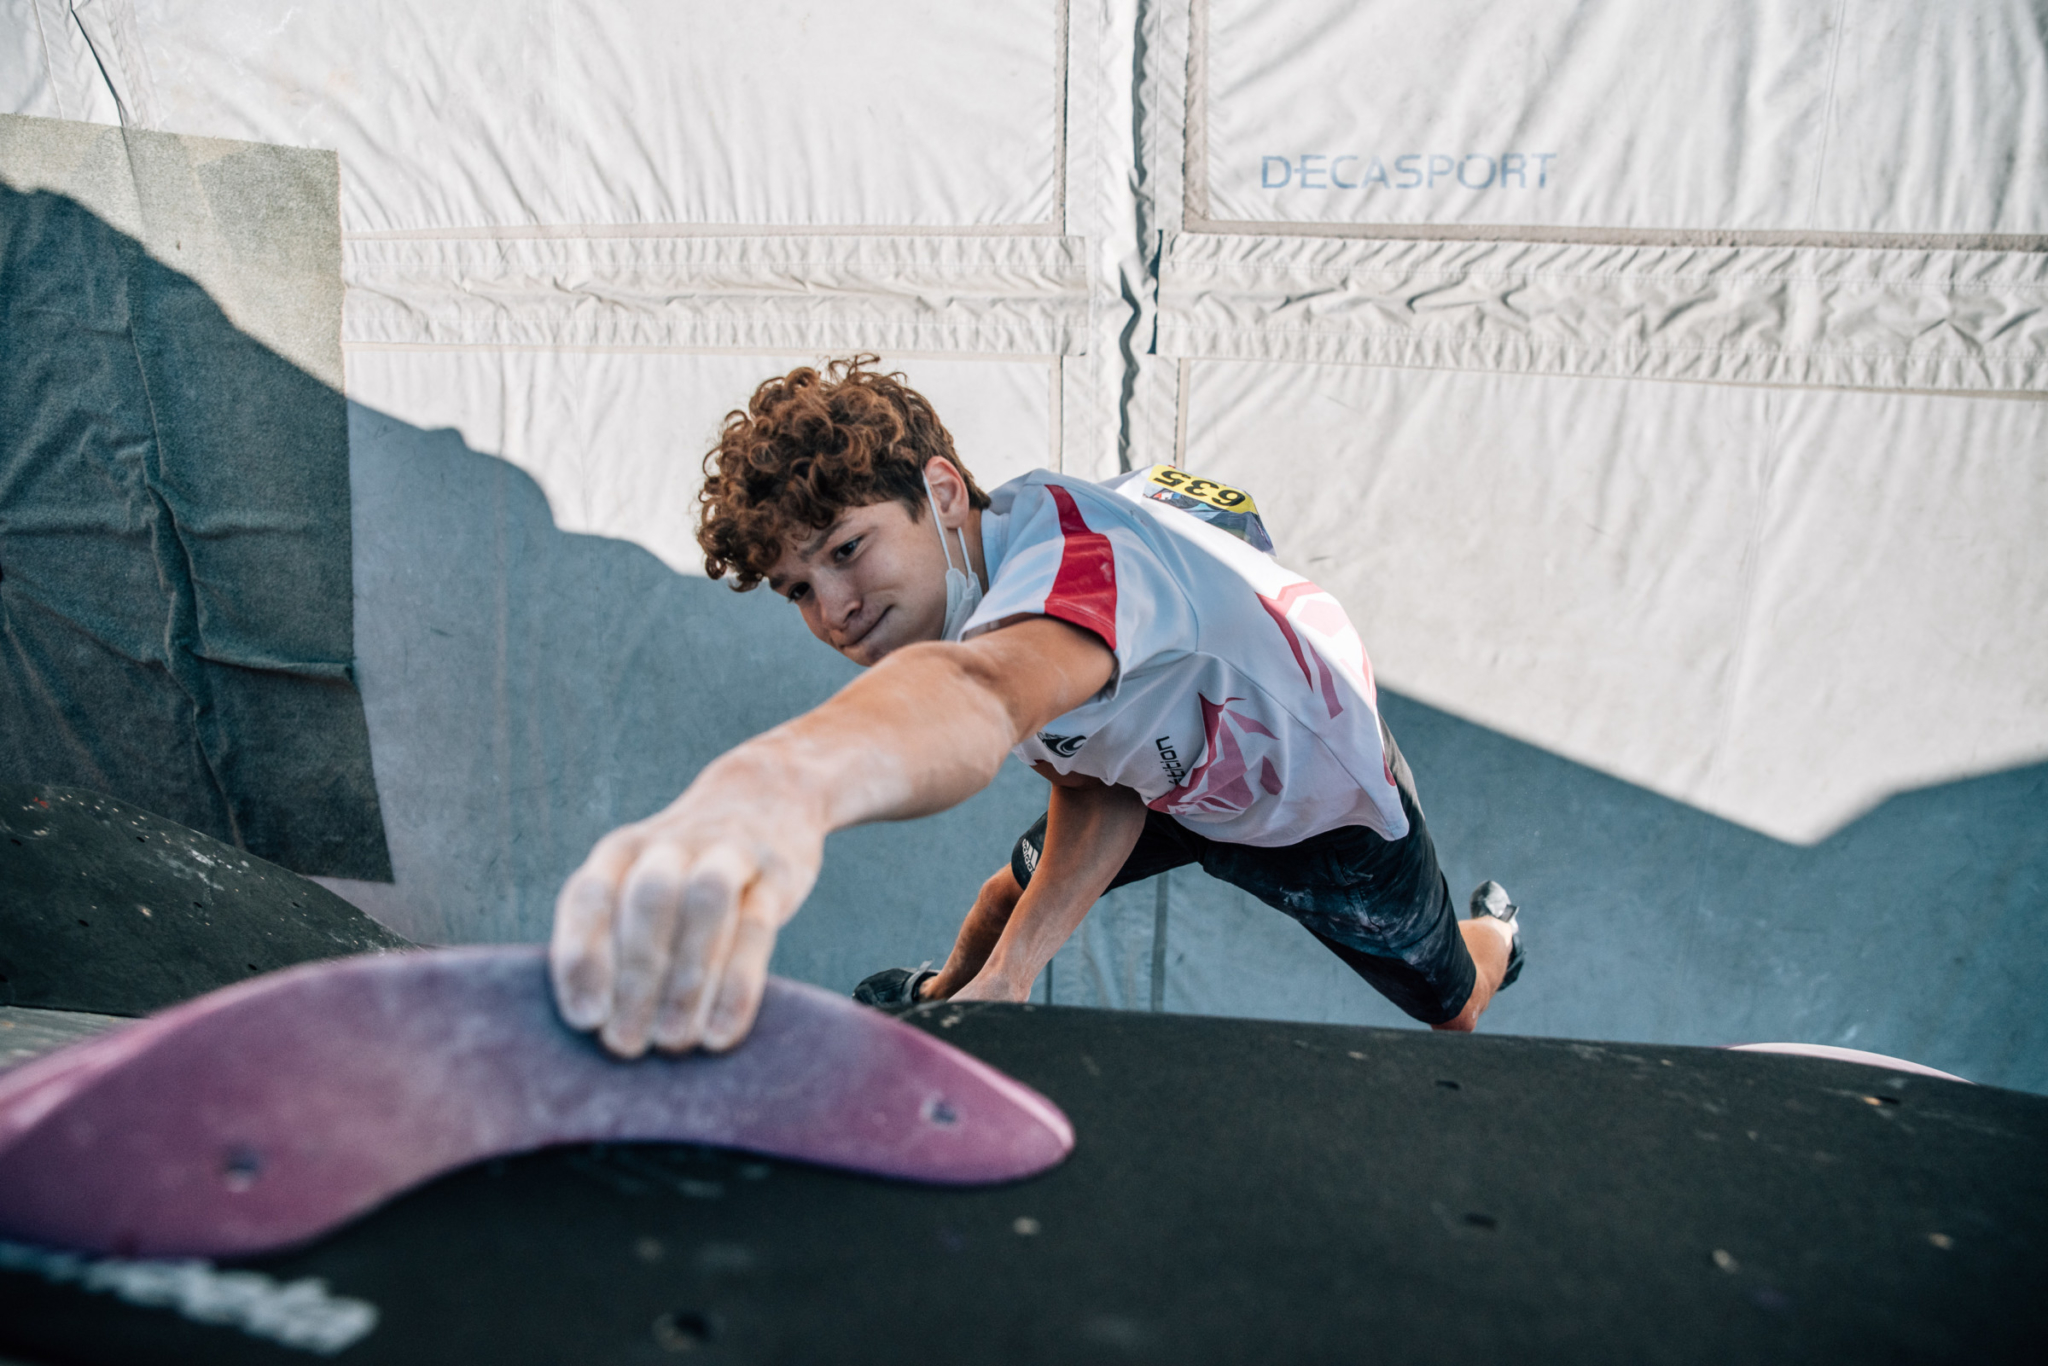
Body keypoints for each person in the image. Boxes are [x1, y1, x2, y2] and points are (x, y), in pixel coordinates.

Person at [548, 356, 1521, 1058]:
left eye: (846, 551)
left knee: (1451, 1009)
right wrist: (1012, 978)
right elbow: (1094, 779)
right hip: (1164, 777)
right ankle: (950, 998)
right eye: (798, 588)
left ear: (939, 489)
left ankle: (1496, 938)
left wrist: (777, 786)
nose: (833, 611)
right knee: (1001, 903)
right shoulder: (966, 591)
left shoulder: (1070, 569)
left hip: (1315, 813)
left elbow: (974, 693)